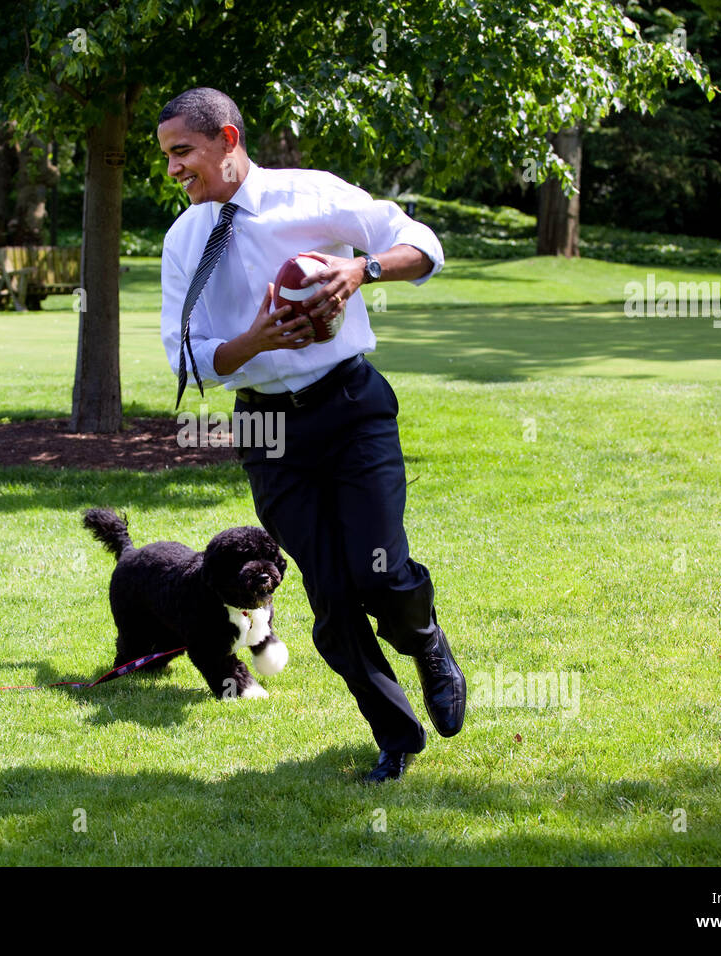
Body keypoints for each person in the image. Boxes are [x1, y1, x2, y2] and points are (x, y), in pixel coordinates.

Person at [156, 87, 465, 783]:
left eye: (184, 153)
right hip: (265, 425)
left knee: (380, 572)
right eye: (167, 157)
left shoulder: (312, 195)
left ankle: (426, 641)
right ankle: (396, 737)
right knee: (329, 596)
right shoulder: (184, 240)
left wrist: (362, 268)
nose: (174, 169)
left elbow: (423, 243)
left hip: (350, 404)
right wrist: (252, 340)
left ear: (228, 142)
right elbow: (185, 356)